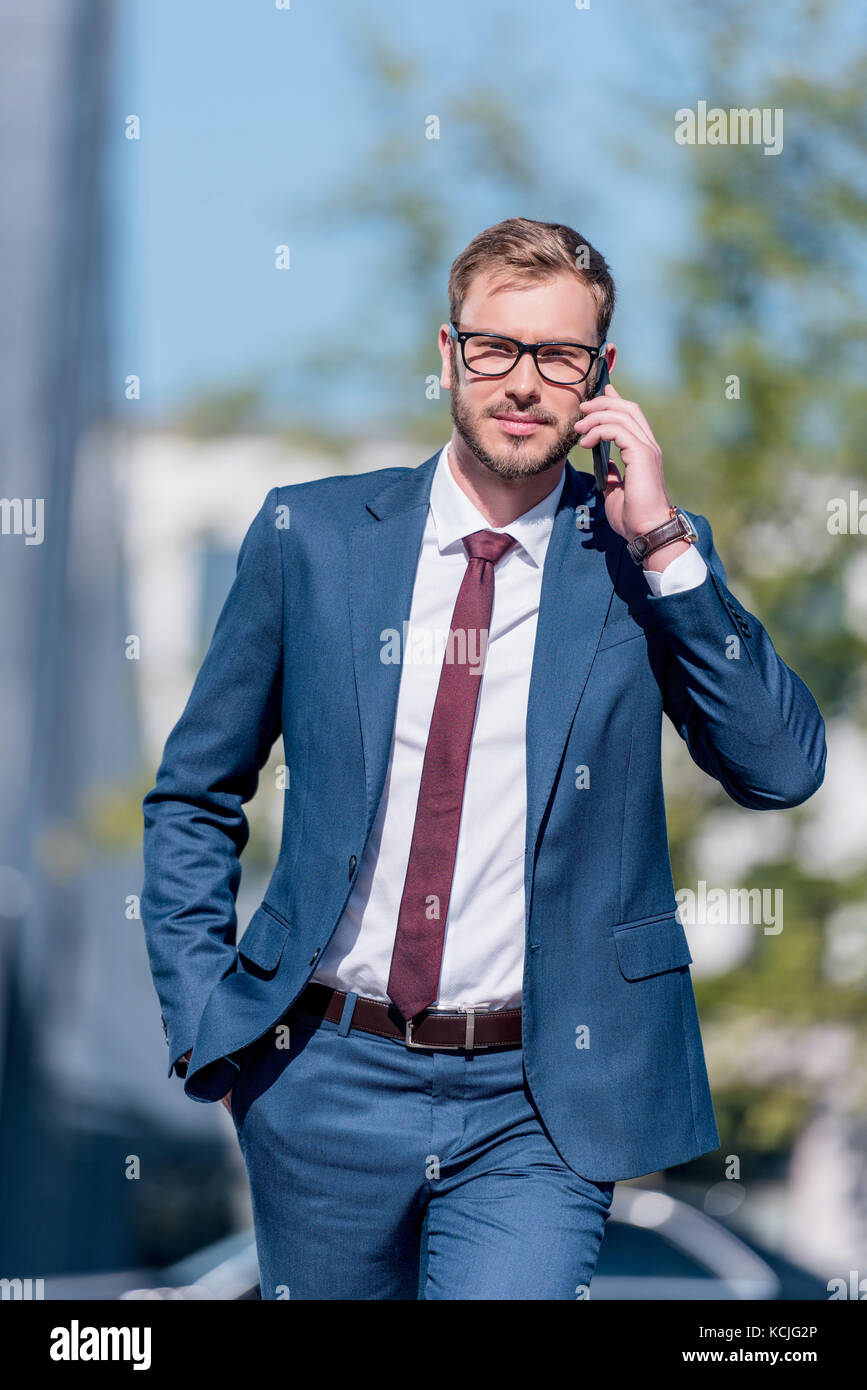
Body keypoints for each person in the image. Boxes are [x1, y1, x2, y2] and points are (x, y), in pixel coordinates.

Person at [141, 217, 826, 1300]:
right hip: (321, 1071)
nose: (522, 382)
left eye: (558, 356)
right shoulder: (311, 539)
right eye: (495, 347)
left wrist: (664, 543)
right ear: (450, 354)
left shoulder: (639, 563)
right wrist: (210, 1026)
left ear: (600, 378)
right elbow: (194, 792)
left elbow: (781, 768)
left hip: (541, 1091)